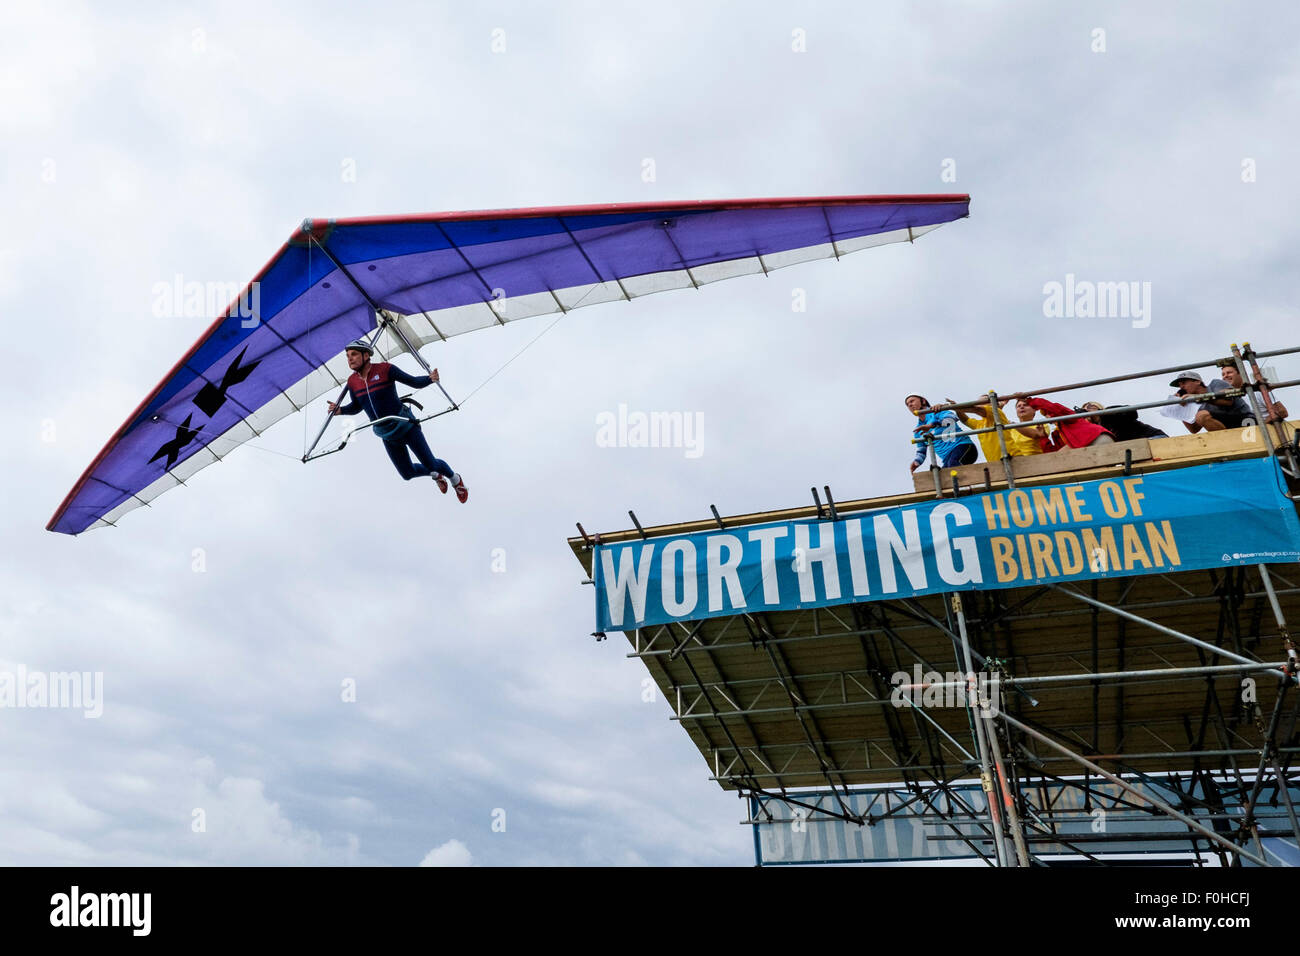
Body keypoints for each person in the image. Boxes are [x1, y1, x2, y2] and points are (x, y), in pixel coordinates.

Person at [328, 339, 469, 502]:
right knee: (407, 473)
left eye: (353, 354)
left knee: (430, 463)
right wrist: (340, 410)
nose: (350, 359)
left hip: (405, 426)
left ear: (366, 355)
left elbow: (413, 382)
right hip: (387, 434)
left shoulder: (385, 369)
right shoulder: (352, 382)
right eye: (347, 356)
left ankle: (455, 480)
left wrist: (430, 378)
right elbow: (358, 406)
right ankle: (436, 476)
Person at [952, 397, 1046, 459]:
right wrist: (956, 409)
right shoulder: (980, 424)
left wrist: (956, 407)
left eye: (984, 402)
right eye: (1019, 406)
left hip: (1017, 459)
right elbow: (965, 420)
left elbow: (976, 409)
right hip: (996, 462)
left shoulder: (1040, 424)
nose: (979, 404)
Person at [906, 395, 977, 473]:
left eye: (912, 401)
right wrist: (916, 463)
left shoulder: (937, 411)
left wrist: (931, 425)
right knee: (943, 477)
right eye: (907, 404)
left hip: (963, 447)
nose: (909, 405)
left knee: (953, 466)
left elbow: (952, 418)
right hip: (947, 458)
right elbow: (921, 451)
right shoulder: (918, 430)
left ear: (923, 401)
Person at [1168, 371, 1253, 433]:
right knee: (1201, 416)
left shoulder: (1215, 384)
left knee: (1202, 414)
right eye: (1179, 385)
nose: (1181, 387)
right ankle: (1228, 443)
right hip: (1229, 430)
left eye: (1184, 383)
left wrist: (1197, 397)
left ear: (1197, 381)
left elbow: (1228, 401)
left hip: (1246, 422)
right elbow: (1194, 429)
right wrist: (1181, 408)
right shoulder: (1194, 404)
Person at [1024, 396, 1115, 451]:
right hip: (1086, 448)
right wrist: (1043, 437)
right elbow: (1052, 456)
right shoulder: (1058, 434)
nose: (1048, 416)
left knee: (1057, 459)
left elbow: (1053, 408)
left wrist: (1029, 401)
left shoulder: (1071, 418)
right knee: (1055, 460)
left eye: (1048, 412)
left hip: (1097, 439)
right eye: (1045, 415)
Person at [1218, 360, 1288, 422]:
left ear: (1240, 373)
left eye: (1229, 372)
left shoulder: (1257, 392)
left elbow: (1282, 411)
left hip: (1272, 432)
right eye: (1223, 374)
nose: (1225, 376)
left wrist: (1261, 426)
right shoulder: (1230, 399)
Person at [1079, 401, 1168, 440]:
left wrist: (1102, 413)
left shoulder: (1108, 412)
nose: (1087, 411)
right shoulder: (1098, 429)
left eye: (1089, 407)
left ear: (1097, 407)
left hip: (1154, 438)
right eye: (1084, 411)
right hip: (1136, 449)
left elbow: (1132, 412)